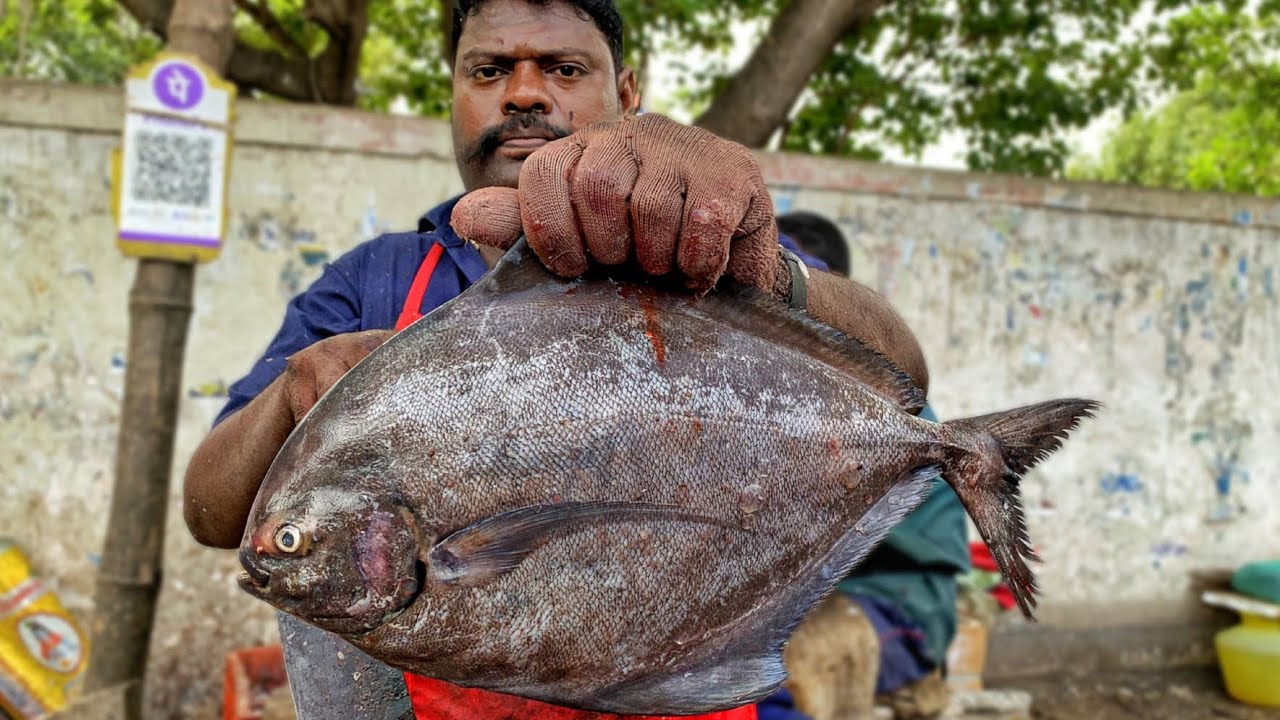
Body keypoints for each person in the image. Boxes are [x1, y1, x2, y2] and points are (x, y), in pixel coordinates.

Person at [182, 1, 932, 718]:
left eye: (565, 69)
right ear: (452, 94)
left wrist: (764, 275)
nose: (523, 94)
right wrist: (294, 388)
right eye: (487, 72)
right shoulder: (372, 283)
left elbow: (904, 378)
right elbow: (210, 510)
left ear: (627, 93)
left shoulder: (698, 259)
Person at [761, 212, 970, 720]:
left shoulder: (870, 391)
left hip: (898, 597)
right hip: (805, 599)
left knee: (763, 689)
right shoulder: (777, 380)